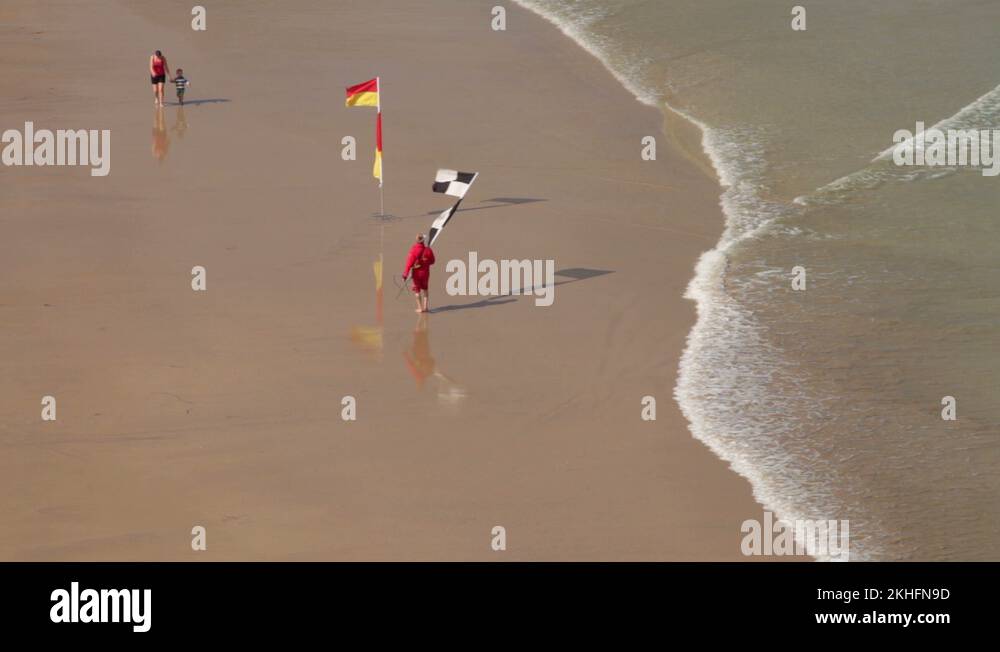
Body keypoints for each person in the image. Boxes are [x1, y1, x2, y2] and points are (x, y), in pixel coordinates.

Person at [402, 234, 435, 313]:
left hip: (416, 274)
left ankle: (420, 308)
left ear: (416, 240)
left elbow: (409, 263)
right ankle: (426, 307)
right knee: (425, 289)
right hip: (426, 273)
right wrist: (426, 262)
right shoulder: (428, 250)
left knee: (417, 290)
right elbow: (433, 261)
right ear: (423, 240)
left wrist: (405, 275)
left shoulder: (413, 250)